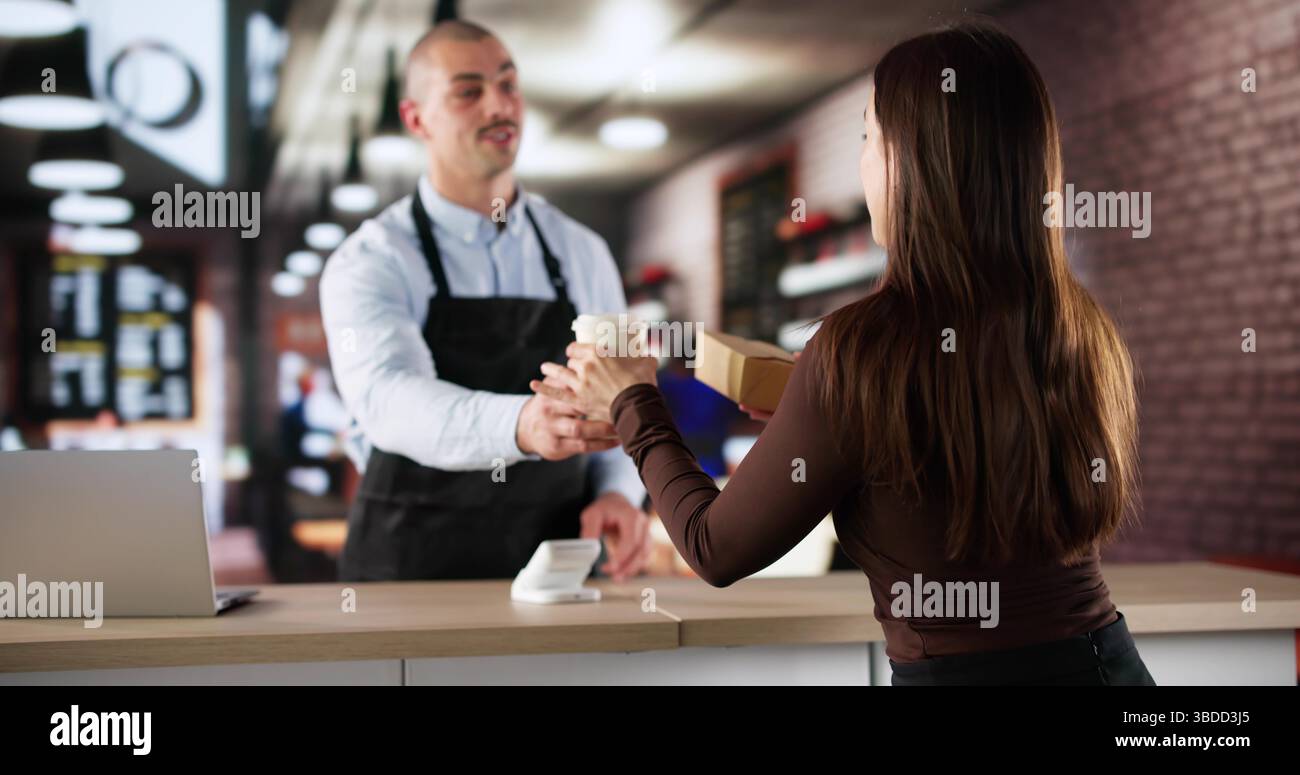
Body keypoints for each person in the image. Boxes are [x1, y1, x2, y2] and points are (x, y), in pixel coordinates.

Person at [532, 21, 1156, 686]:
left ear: (913, 162)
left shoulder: (859, 349)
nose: (864, 163)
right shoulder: (1085, 327)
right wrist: (808, 407)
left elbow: (713, 547)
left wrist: (633, 402)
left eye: (869, 137)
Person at [321, 20, 649, 582]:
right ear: (416, 118)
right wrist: (522, 425)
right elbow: (390, 400)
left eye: (509, 85)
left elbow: (623, 395)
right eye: (469, 91)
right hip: (407, 570)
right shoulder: (372, 259)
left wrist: (620, 493)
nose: (500, 106)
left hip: (555, 569)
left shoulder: (581, 251)